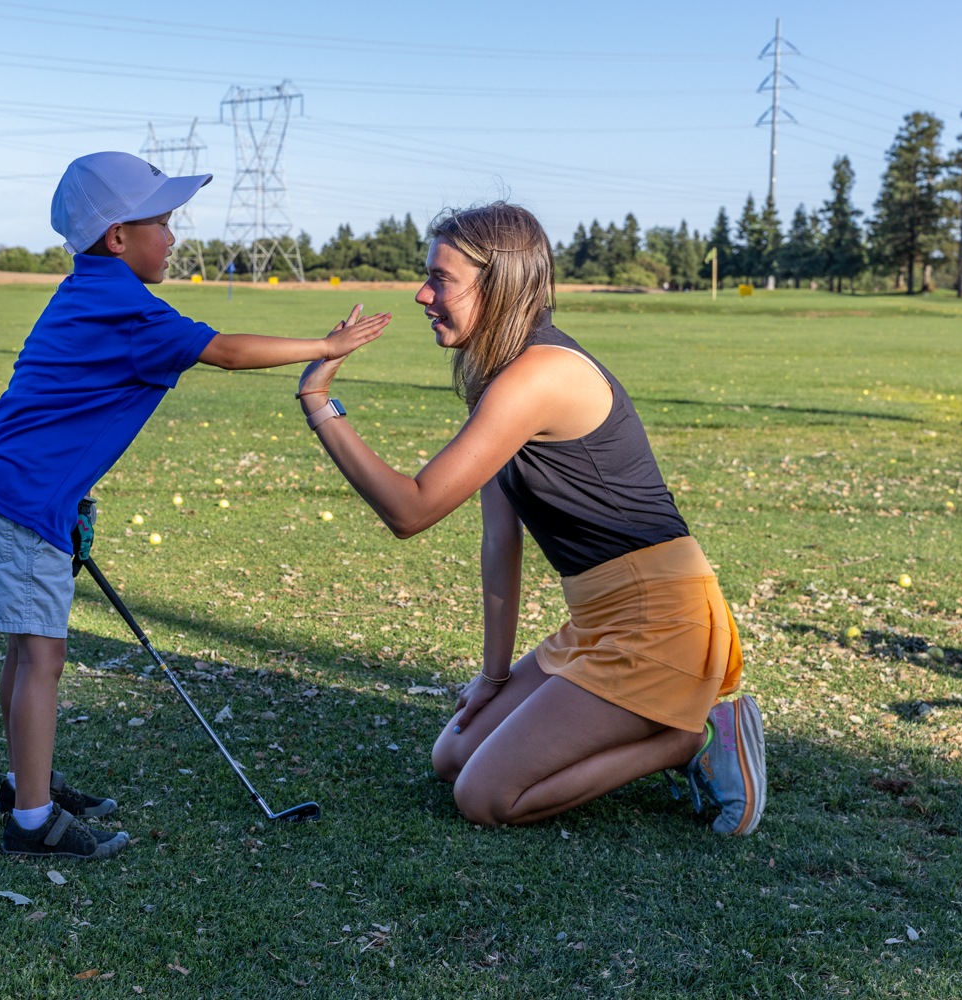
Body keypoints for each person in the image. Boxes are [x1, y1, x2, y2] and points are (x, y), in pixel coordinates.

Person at [0, 152, 391, 859]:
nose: (173, 236)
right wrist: (326, 344)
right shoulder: (122, 306)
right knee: (43, 657)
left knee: (24, 647)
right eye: (161, 221)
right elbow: (222, 350)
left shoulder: (90, 292)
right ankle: (31, 822)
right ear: (118, 237)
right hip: (19, 498)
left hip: (15, 491)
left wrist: (71, 495)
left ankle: (24, 782)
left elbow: (60, 409)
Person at [295, 202, 765, 834]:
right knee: (452, 756)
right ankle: (668, 725)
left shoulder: (539, 375)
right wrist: (492, 677)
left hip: (658, 621)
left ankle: (689, 739)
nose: (421, 294)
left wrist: (319, 402)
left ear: (501, 283)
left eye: (441, 278)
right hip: (602, 618)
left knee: (483, 798)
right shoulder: (505, 380)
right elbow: (500, 540)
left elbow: (411, 510)